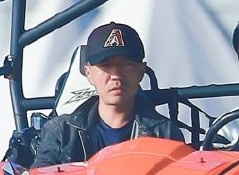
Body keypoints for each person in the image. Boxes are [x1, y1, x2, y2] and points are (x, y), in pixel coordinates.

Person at [30, 21, 183, 166]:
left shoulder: (164, 132)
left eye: (126, 65)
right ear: (88, 73)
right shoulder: (61, 133)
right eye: (106, 66)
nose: (116, 75)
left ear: (142, 70)